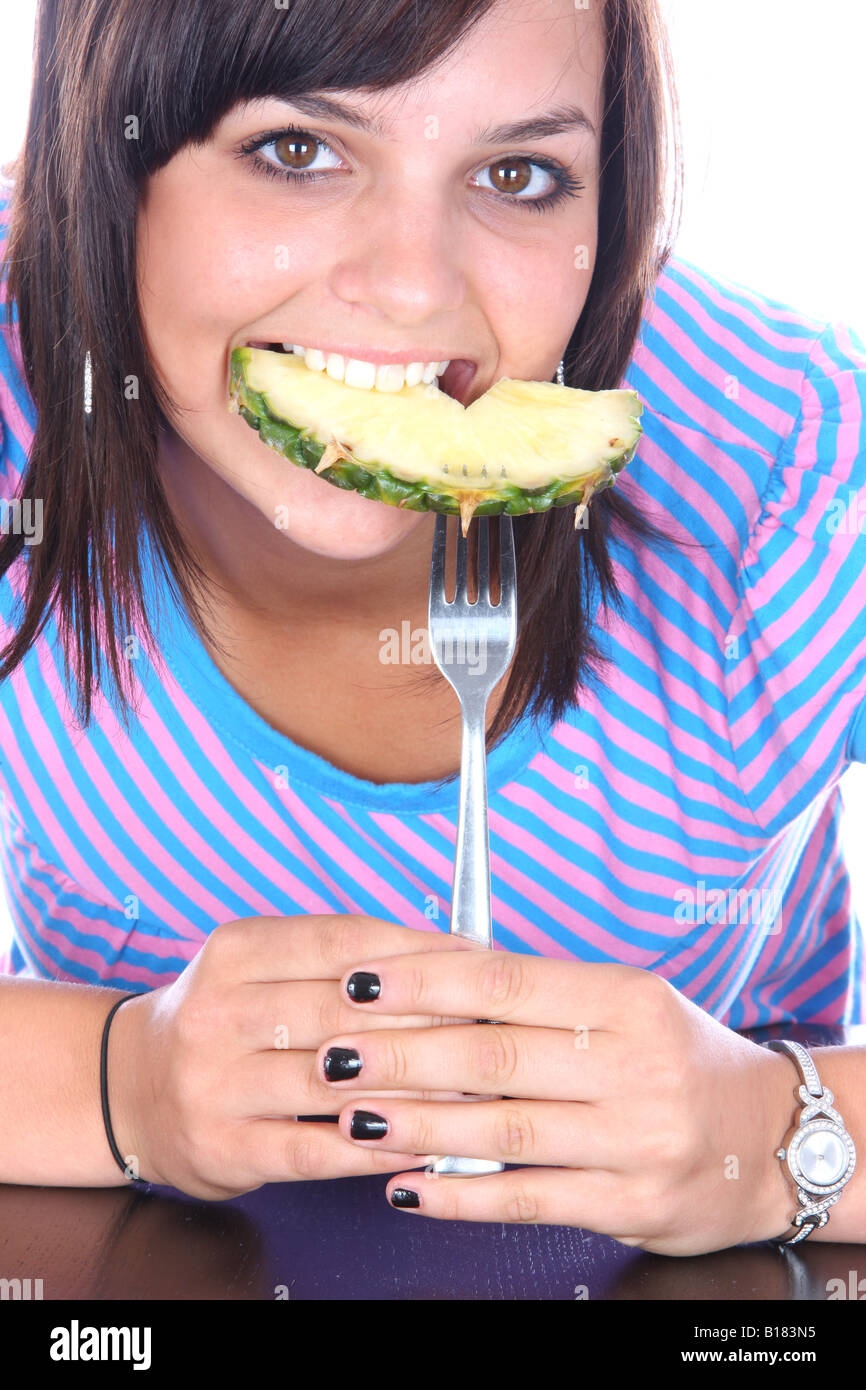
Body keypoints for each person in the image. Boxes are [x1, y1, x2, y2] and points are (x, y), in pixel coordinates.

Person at [0, 0, 863, 1258]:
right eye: (296, 150)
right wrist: (120, 1083)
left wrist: (771, 1137)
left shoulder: (789, 465)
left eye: (519, 175)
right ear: (104, 163)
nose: (412, 286)